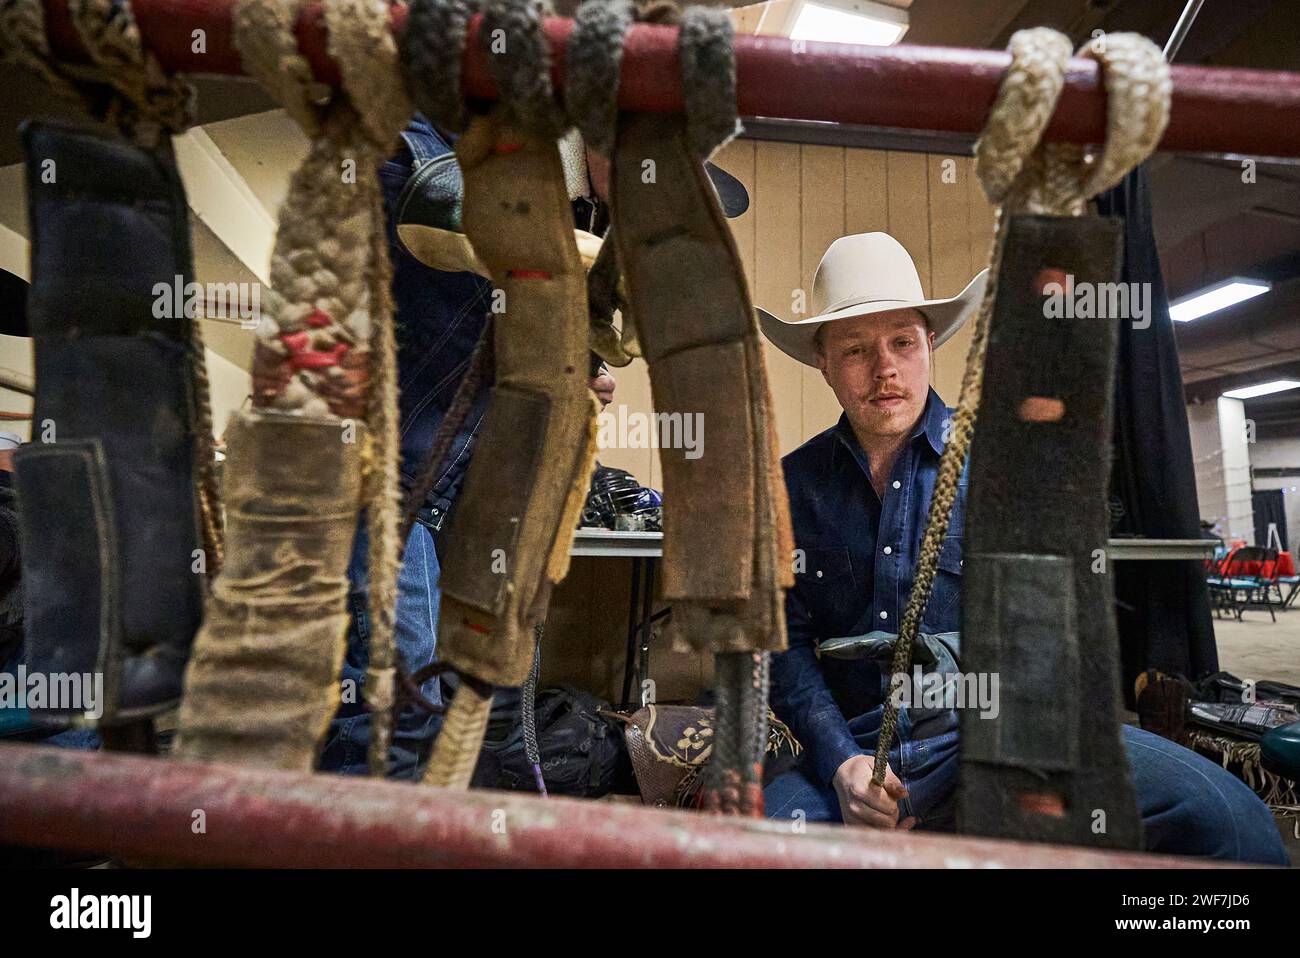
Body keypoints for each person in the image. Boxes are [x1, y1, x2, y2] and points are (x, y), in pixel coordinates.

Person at [757, 231, 1288, 864]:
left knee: (1229, 819)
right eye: (854, 349)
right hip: (843, 744)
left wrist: (929, 774)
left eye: (902, 341)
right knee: (773, 853)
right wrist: (842, 760)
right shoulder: (789, 487)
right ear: (821, 360)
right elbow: (782, 645)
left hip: (992, 738)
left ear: (930, 343)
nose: (885, 369)